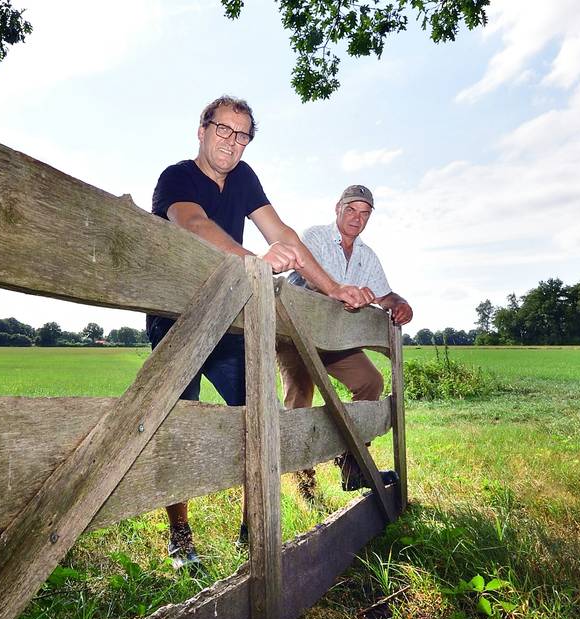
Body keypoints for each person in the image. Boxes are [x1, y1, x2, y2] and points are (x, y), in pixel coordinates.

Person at [148, 96, 374, 568]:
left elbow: (284, 234)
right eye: (223, 130)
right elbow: (193, 224)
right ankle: (180, 534)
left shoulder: (244, 178)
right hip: (178, 320)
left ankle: (254, 528)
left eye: (243, 134)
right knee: (180, 423)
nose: (232, 142)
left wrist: (332, 287)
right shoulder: (177, 177)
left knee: (260, 419)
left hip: (230, 321)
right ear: (202, 129)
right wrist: (252, 260)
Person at [280, 184, 414, 501]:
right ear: (337, 208)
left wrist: (400, 303)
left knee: (370, 381)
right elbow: (309, 276)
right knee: (300, 397)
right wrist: (339, 288)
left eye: (364, 213)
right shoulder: (314, 237)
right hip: (296, 330)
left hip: (335, 339)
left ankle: (352, 464)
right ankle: (305, 484)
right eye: (351, 209)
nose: (357, 218)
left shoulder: (367, 256)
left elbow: (385, 295)